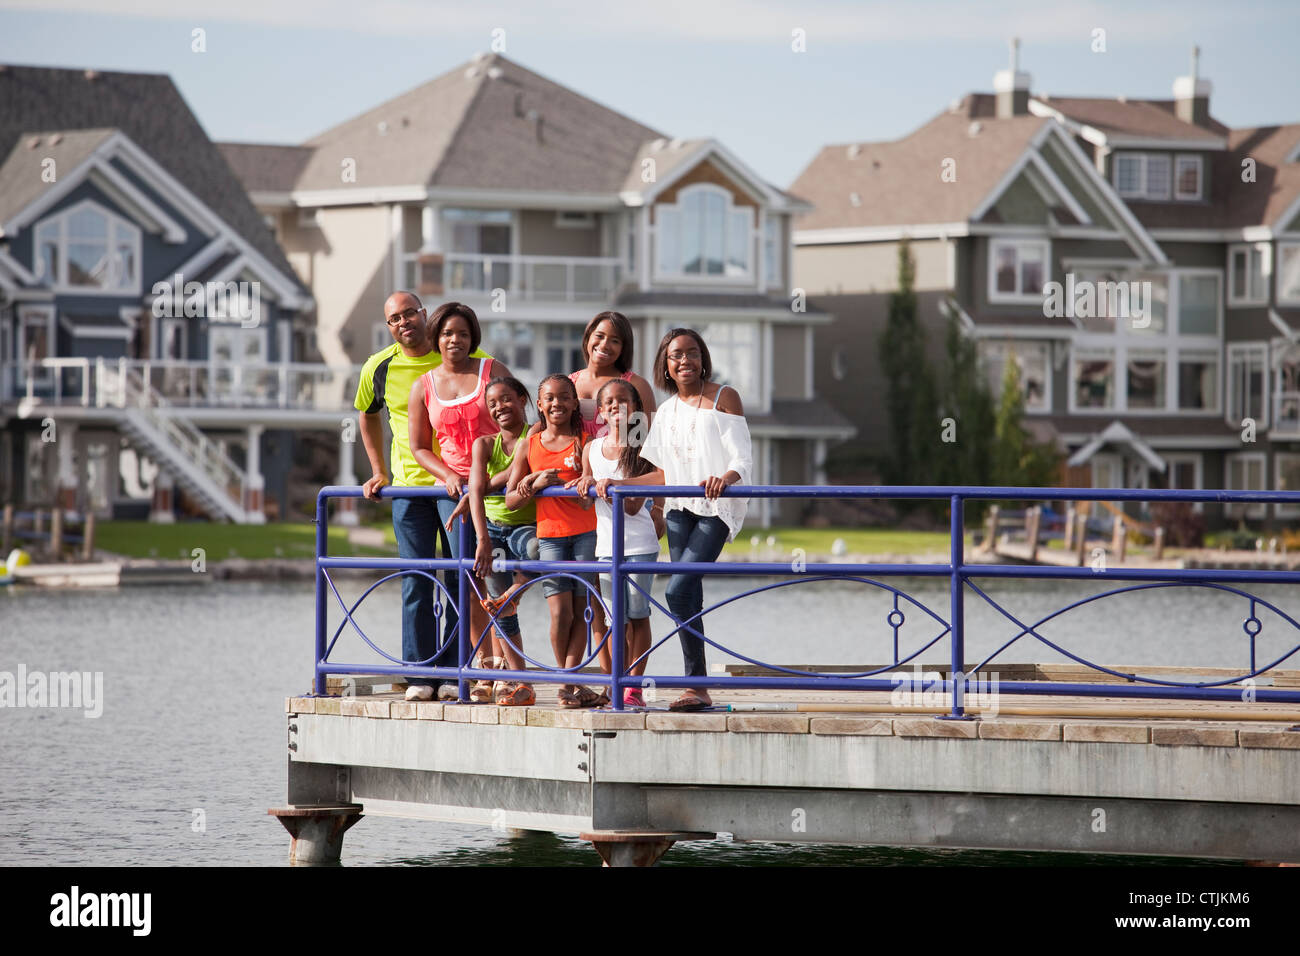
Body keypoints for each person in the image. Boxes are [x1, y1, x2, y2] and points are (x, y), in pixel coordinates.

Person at [593, 328, 751, 712]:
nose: (684, 361)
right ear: (666, 364)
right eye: (676, 355)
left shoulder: (724, 398)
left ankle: (696, 683)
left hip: (716, 508)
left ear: (703, 358)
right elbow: (663, 474)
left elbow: (742, 459)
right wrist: (621, 482)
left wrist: (723, 479)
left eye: (692, 353)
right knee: (689, 595)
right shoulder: (664, 413)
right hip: (679, 510)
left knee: (677, 590)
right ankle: (696, 687)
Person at [356, 291, 489, 702]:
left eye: (409, 313)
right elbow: (366, 413)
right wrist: (378, 470)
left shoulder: (458, 351)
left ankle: (454, 670)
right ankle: (418, 672)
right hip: (409, 488)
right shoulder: (379, 366)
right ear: (389, 326)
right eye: (394, 318)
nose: (403, 323)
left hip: (455, 488)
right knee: (416, 578)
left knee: (458, 576)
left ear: (424, 314)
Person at [408, 302, 515, 703]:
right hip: (454, 493)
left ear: (474, 338)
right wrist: (449, 476)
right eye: (448, 333)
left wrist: (502, 477)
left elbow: (522, 422)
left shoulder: (492, 372)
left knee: (499, 579)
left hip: (497, 489)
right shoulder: (424, 384)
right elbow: (419, 447)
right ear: (436, 337)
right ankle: (478, 668)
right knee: (466, 579)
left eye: (464, 334)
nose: (456, 340)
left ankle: (508, 668)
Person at [505, 374, 605, 709]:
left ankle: (566, 683)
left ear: (575, 402)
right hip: (550, 536)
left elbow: (591, 498)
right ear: (540, 404)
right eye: (549, 398)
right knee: (559, 614)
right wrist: (534, 484)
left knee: (582, 612)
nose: (557, 404)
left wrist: (583, 486)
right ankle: (571, 683)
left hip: (585, 535)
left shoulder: (585, 442)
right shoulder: (529, 445)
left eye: (564, 397)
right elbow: (510, 501)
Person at [570, 378, 664, 708]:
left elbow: (639, 499)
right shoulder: (592, 448)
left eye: (622, 400)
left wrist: (615, 483)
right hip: (605, 546)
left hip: (639, 544)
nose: (614, 406)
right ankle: (616, 683)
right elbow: (586, 500)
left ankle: (634, 688)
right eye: (607, 402)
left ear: (635, 407)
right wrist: (584, 484)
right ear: (599, 411)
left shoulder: (643, 445)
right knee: (613, 620)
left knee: (637, 615)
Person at [456, 375, 538, 707]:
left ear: (522, 399)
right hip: (493, 528)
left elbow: (515, 465)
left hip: (528, 525)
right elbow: (475, 489)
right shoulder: (484, 444)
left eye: (506, 399)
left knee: (539, 553)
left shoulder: (535, 433)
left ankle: (512, 593)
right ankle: (520, 681)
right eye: (492, 404)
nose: (499, 407)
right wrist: (482, 538)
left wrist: (488, 484)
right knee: (500, 611)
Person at [568, 311, 656, 438]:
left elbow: (648, 440)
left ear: (623, 348)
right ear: (588, 337)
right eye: (599, 336)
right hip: (572, 458)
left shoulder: (637, 386)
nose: (604, 345)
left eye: (615, 341)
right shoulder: (568, 384)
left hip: (619, 458)